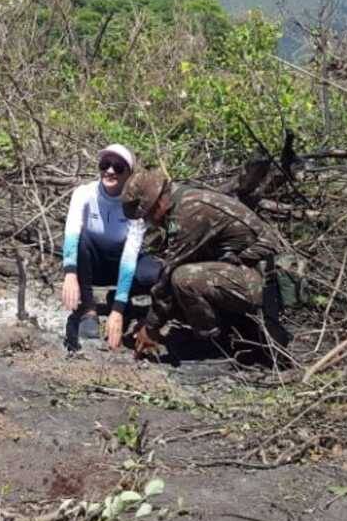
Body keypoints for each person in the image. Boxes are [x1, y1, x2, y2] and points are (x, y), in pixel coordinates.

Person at [119, 167, 289, 360]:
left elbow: (169, 275)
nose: (149, 222)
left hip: (264, 284)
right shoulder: (182, 201)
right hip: (245, 272)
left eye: (147, 216)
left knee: (183, 278)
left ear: (158, 204)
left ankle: (213, 342)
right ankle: (234, 327)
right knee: (179, 281)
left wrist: (150, 327)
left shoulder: (189, 211)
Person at [61, 144, 161, 352]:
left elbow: (130, 255)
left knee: (154, 273)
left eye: (118, 167)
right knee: (81, 240)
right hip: (92, 263)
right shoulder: (84, 193)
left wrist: (118, 310)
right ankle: (89, 309)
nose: (110, 171)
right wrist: (70, 273)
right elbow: (72, 231)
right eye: (105, 164)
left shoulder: (135, 205)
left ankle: (119, 298)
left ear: (129, 174)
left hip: (121, 264)